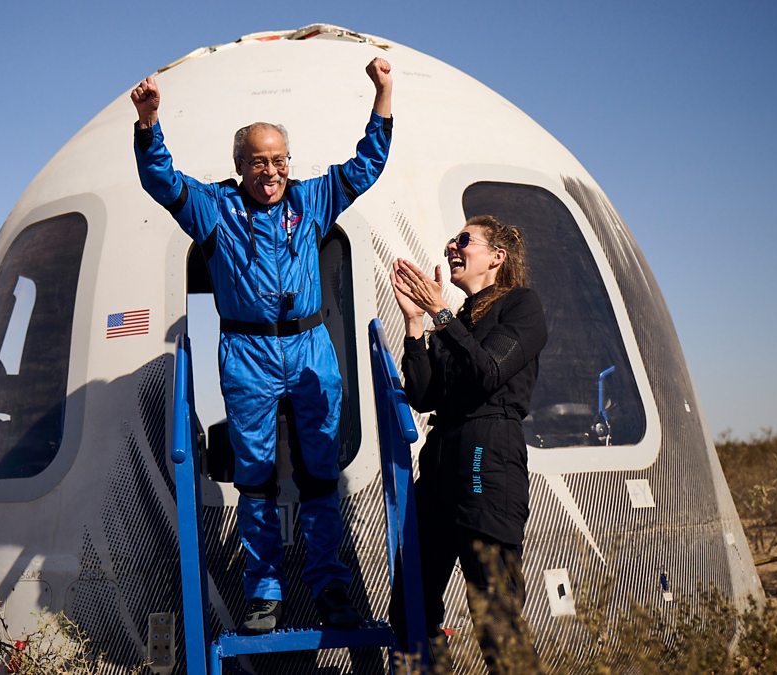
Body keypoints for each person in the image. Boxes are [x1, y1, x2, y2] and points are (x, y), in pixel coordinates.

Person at [131, 58, 393, 634]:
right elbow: (162, 181)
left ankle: (330, 587)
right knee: (254, 479)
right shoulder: (215, 209)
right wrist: (149, 124)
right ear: (240, 166)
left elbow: (368, 163)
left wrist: (383, 93)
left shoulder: (313, 201)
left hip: (309, 348)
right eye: (258, 161)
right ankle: (264, 594)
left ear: (288, 163)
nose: (269, 172)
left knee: (320, 473)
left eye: (278, 160)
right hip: (247, 355)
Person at [388, 215, 546, 671]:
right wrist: (415, 323)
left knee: (495, 619)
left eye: (463, 240)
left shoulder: (521, 306)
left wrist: (440, 313)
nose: (451, 247)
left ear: (497, 256)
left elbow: (489, 371)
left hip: (486, 457)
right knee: (411, 609)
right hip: (441, 461)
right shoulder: (456, 320)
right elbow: (424, 395)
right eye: (450, 242)